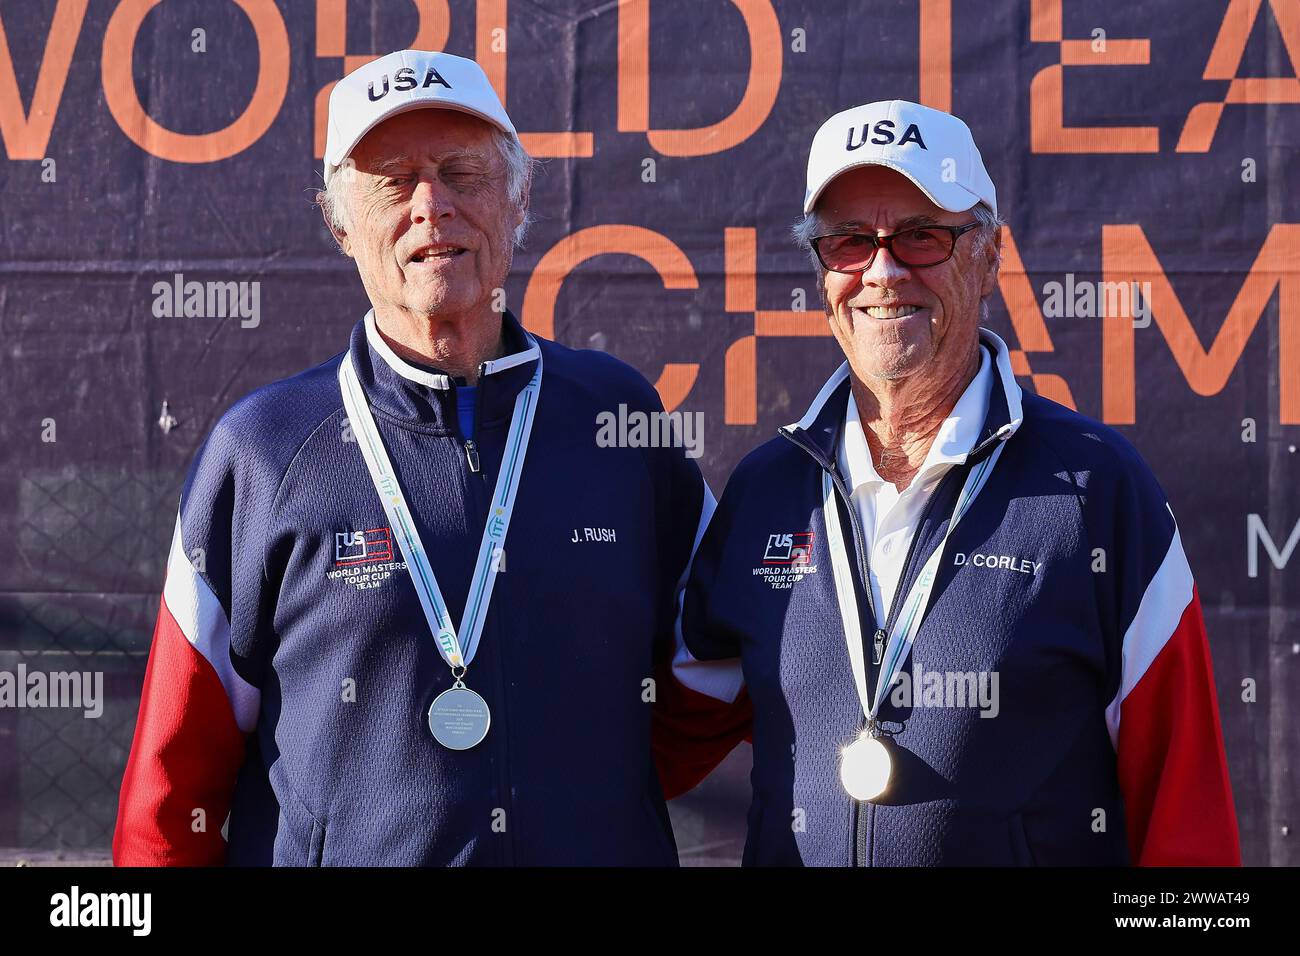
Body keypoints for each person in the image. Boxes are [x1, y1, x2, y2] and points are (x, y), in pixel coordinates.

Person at [113, 50, 706, 866]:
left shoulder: (618, 417)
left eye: (463, 174)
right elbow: (175, 775)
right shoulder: (262, 450)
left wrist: (594, 801)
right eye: (394, 182)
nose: (434, 206)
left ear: (520, 197)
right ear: (339, 221)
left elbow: (716, 663)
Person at [672, 99, 1241, 866]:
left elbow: (1186, 803)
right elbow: (654, 740)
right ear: (821, 269)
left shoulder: (1097, 492)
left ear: (989, 254)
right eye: (848, 242)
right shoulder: (768, 489)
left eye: (920, 236)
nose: (882, 271)